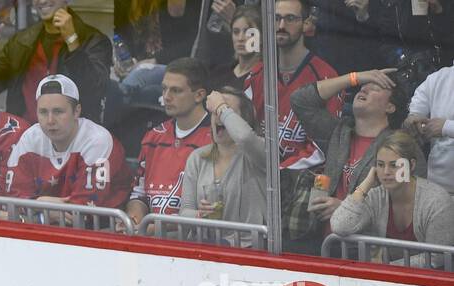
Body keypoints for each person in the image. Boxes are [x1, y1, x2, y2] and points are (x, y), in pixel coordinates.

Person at [292, 67, 415, 231]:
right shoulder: (338, 131)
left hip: (367, 251)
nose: (364, 88)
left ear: (390, 107)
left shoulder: (402, 146)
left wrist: (346, 208)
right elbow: (300, 100)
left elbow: (406, 206)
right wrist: (353, 78)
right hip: (323, 245)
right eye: (363, 85)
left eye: (376, 88)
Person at [0, 74, 132, 207]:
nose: (50, 121)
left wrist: (37, 206)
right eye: (43, 112)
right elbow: (13, 202)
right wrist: (39, 204)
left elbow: (83, 212)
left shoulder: (97, 141)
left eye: (58, 112)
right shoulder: (30, 138)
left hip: (103, 227)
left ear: (76, 111)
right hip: (43, 225)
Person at [0, 0, 112, 123]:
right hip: (26, 136)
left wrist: (72, 41)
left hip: (73, 138)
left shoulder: (94, 40)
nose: (42, 1)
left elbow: (95, 89)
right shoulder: (22, 40)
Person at [246, 0, 340, 170]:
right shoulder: (256, 74)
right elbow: (242, 130)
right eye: (276, 18)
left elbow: (324, 147)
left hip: (302, 181)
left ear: (306, 23)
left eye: (290, 18)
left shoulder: (327, 77)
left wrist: (279, 172)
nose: (281, 25)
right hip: (257, 175)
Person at [330, 129, 454, 246]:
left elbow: (436, 259)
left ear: (411, 165)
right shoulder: (375, 195)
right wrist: (365, 184)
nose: (386, 172)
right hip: (383, 267)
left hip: (407, 268)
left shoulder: (436, 201)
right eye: (380, 164)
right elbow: (339, 226)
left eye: (394, 165)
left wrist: (388, 265)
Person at [126, 57, 213, 224]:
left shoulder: (217, 139)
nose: (166, 97)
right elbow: (139, 194)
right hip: (150, 236)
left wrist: (154, 230)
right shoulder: (153, 137)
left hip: (194, 240)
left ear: (199, 95)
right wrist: (134, 221)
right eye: (164, 89)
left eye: (176, 91)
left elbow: (211, 210)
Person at [179, 88, 266, 228]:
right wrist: (199, 214)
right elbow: (184, 211)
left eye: (226, 110)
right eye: (215, 112)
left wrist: (220, 106)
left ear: (244, 120)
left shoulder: (259, 151)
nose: (218, 115)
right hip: (208, 244)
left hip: (247, 246)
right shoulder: (197, 158)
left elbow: (244, 137)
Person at [405, 63, 454, 196]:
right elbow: (415, 113)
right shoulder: (437, 78)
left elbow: (443, 127)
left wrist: (446, 127)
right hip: (438, 190)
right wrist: (414, 121)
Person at [197, 4, 261, 95]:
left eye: (249, 32)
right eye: (236, 32)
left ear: (262, 37)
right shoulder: (218, 73)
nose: (240, 38)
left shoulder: (265, 77)